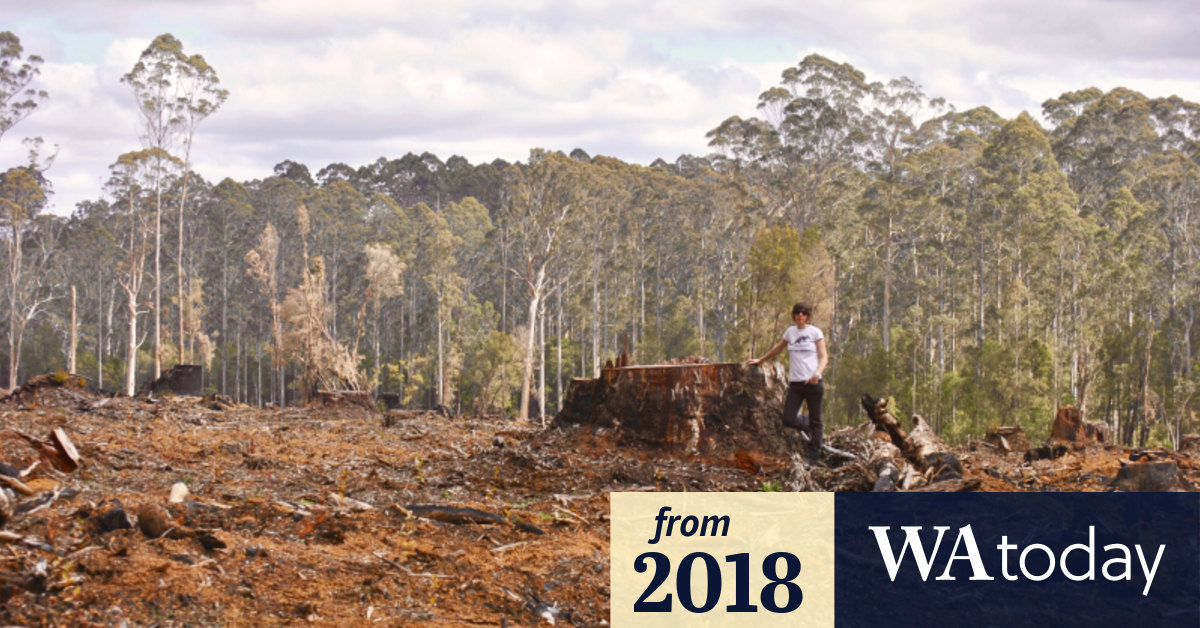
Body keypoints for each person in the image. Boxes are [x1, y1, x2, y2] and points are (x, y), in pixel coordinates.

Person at [747, 302, 828, 456]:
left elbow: (824, 357)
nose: (800, 316)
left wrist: (817, 374)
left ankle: (815, 451)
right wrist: (761, 360)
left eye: (803, 313)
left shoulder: (815, 333)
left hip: (813, 383)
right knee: (788, 419)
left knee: (816, 419)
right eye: (797, 313)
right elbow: (778, 348)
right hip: (796, 383)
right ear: (793, 315)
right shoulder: (790, 332)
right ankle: (808, 423)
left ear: (808, 316)